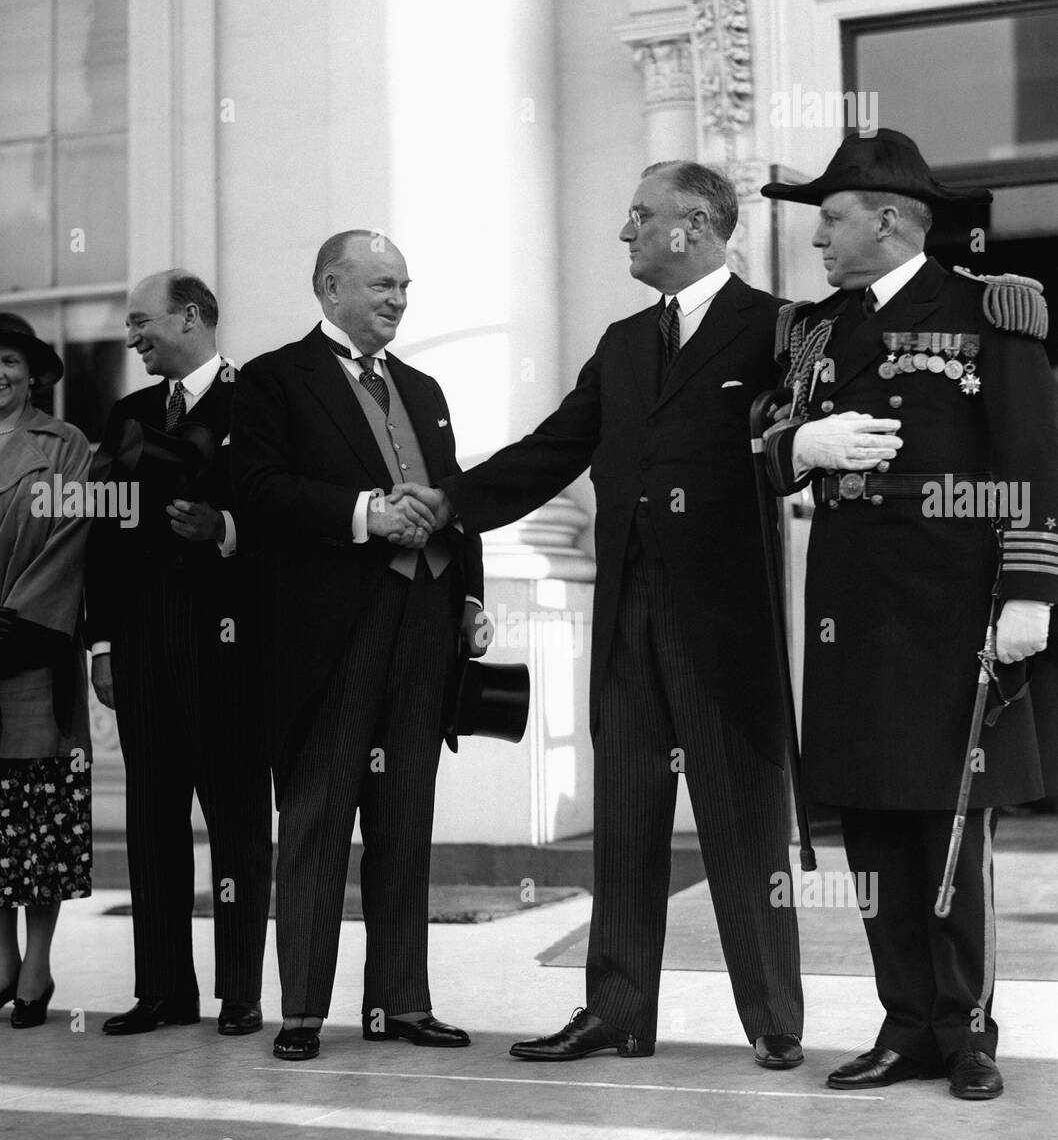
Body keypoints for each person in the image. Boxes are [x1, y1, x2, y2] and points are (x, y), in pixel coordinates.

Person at [395, 163, 805, 1069]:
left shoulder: (777, 328)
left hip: (726, 628)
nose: (623, 233)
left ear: (693, 225)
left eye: (638, 216)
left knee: (742, 822)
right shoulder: (622, 343)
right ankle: (616, 1010)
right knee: (625, 820)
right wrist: (448, 503)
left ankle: (774, 1018)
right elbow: (553, 450)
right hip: (627, 617)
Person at [760, 129, 1058, 1100]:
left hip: (950, 616)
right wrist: (803, 440)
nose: (817, 240)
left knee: (947, 824)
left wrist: (1028, 589)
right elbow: (755, 443)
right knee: (873, 828)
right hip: (848, 618)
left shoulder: (988, 310)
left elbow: (1030, 462)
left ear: (886, 221)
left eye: (831, 219)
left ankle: (965, 1026)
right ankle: (903, 1025)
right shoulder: (812, 331)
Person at [230, 230, 485, 1062]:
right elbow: (258, 492)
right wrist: (366, 513)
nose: (399, 301)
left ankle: (403, 1003)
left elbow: (456, 499)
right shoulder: (273, 380)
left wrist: (471, 598)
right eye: (382, 286)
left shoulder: (424, 387)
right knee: (318, 819)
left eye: (406, 287)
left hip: (426, 623)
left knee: (406, 818)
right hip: (331, 630)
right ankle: (301, 1010)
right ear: (330, 286)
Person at [87, 271, 273, 1038]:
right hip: (141, 648)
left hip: (229, 649)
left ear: (190, 318)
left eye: (141, 323)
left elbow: (287, 512)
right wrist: (102, 642)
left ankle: (240, 992)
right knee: (152, 819)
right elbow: (102, 525)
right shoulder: (127, 414)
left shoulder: (259, 401)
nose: (130, 339)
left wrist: (225, 528)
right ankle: (162, 989)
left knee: (234, 820)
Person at [0, 314, 93, 1028]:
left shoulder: (66, 449)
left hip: (31, 647)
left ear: (31, 372)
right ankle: (0, 960)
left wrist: (17, 620)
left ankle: (37, 963)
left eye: (8, 361)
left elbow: (73, 542)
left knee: (38, 811)